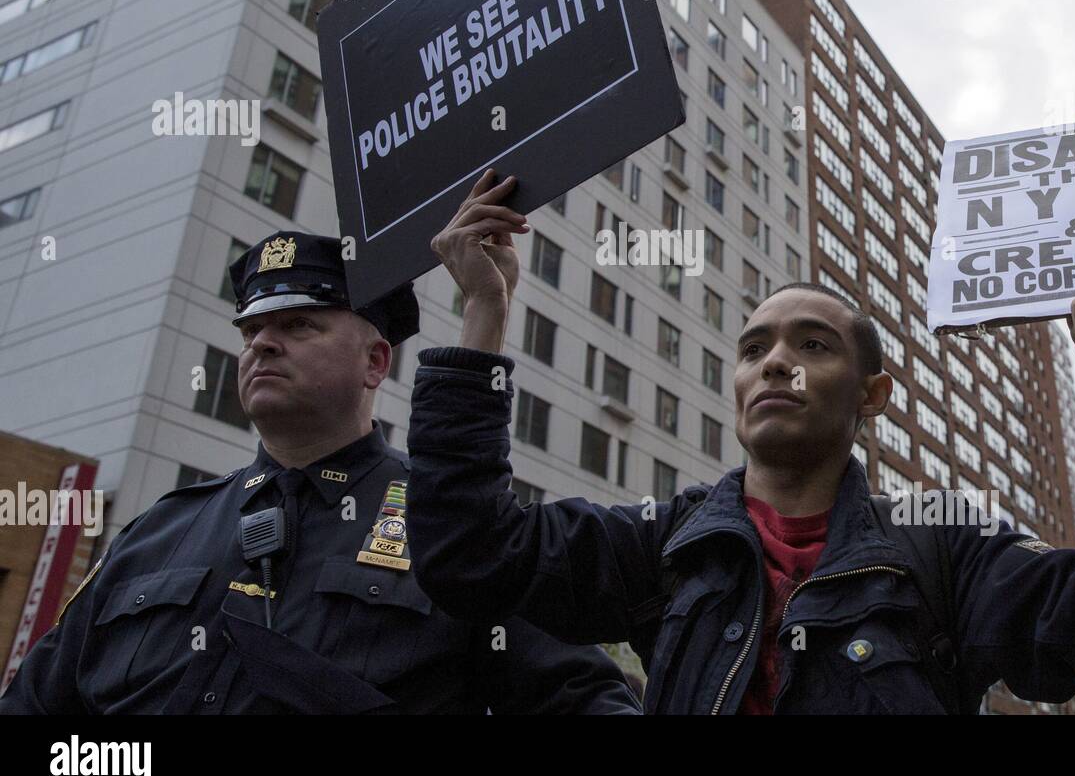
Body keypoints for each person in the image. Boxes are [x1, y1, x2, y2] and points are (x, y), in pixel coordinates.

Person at [404, 170, 1075, 714]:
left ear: (873, 395)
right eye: (755, 348)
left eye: (813, 345)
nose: (776, 365)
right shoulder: (669, 545)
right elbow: (470, 555)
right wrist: (483, 315)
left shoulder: (948, 552)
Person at [0, 231, 637, 715]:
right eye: (251, 330)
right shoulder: (157, 532)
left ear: (375, 361)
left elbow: (586, 699)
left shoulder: (457, 525)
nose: (261, 345)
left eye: (298, 324)